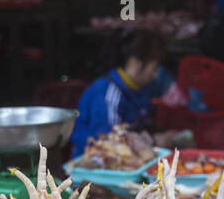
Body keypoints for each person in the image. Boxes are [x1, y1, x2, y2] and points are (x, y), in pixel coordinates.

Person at [70, 30, 169, 158]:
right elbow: (108, 142)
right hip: (92, 163)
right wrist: (152, 140)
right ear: (136, 63)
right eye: (154, 68)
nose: (155, 76)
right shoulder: (108, 93)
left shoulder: (140, 88)